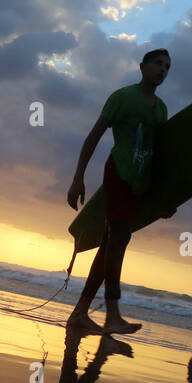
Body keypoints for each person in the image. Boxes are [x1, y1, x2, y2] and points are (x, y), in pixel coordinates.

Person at [66, 49, 171, 337]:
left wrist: (164, 199)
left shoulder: (161, 109)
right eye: (157, 64)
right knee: (120, 237)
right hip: (119, 174)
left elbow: (160, 156)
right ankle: (112, 314)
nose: (162, 70)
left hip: (140, 182)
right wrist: (78, 178)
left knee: (110, 243)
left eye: (167, 67)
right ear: (142, 66)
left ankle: (79, 313)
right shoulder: (122, 97)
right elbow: (93, 137)